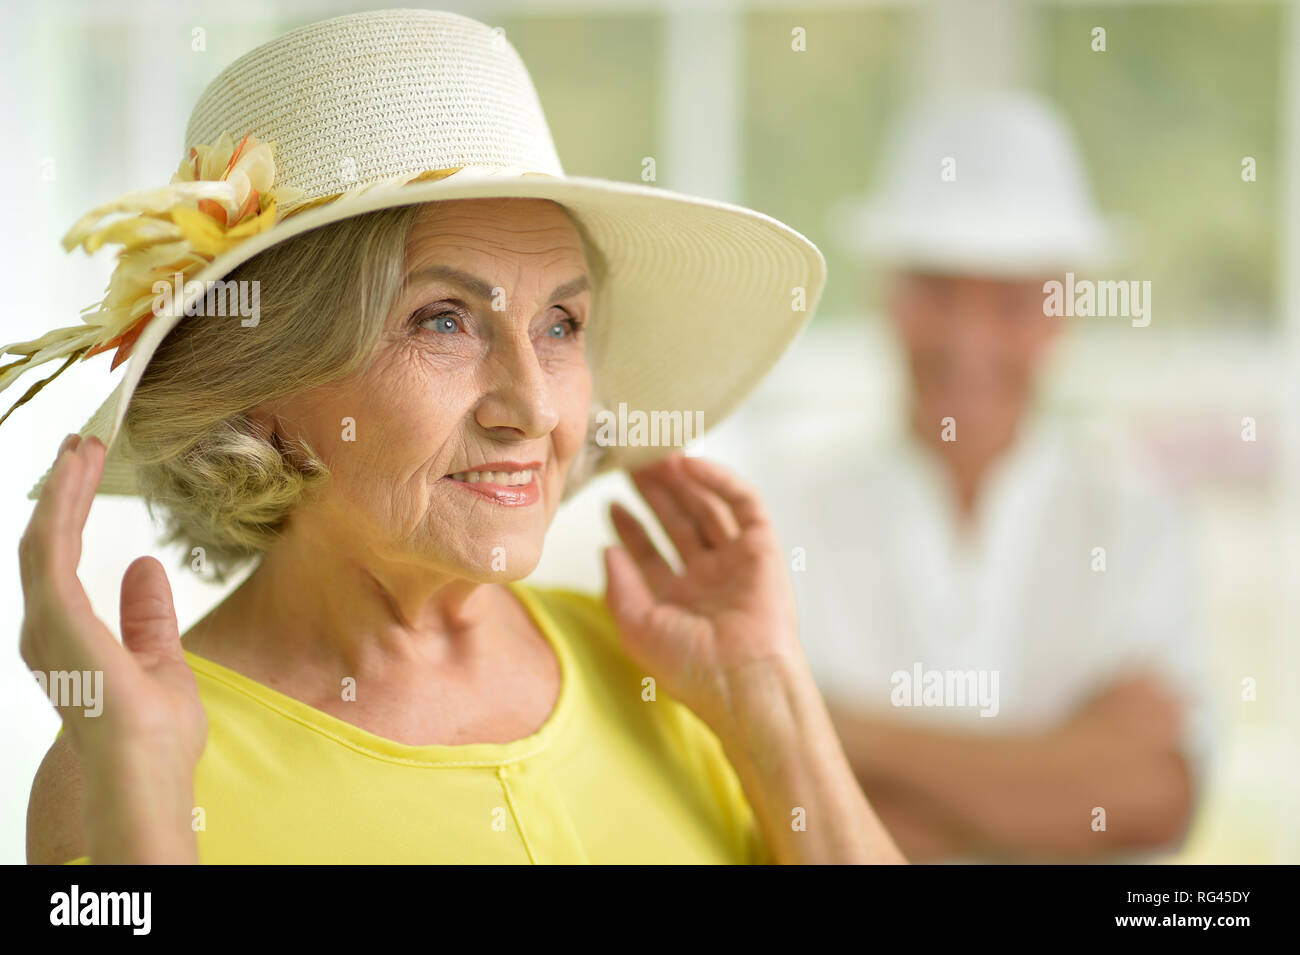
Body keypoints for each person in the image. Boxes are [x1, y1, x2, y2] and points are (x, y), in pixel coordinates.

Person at [7, 9, 903, 865]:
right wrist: (146, 789)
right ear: (262, 392)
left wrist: (771, 699)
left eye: (560, 324)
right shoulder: (124, 757)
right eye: (444, 320)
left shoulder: (672, 669)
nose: (535, 408)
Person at [787, 91, 1216, 862]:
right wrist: (1062, 766)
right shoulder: (791, 512)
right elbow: (779, 802)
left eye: (1012, 301)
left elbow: (1151, 797)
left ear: (1065, 309)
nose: (969, 338)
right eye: (939, 290)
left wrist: (842, 735)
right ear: (888, 294)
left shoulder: (1141, 517)